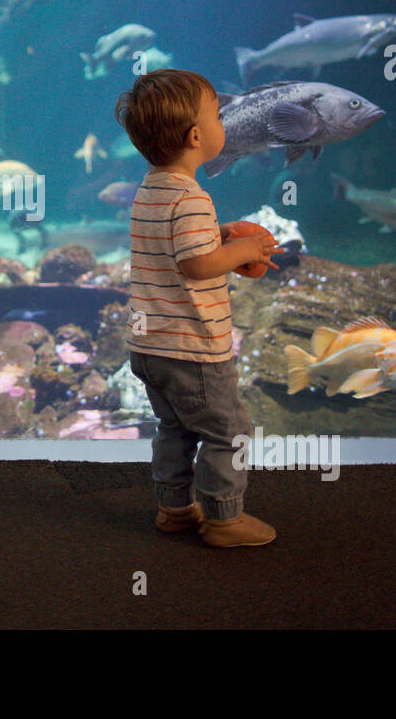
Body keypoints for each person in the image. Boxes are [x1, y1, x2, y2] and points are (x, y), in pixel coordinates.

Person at [114, 68, 279, 547]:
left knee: (175, 427)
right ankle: (224, 518)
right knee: (231, 430)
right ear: (195, 136)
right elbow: (197, 264)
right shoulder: (190, 197)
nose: (224, 123)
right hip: (191, 348)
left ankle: (173, 508)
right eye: (218, 115)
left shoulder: (150, 191)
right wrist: (243, 252)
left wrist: (222, 232)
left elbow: (175, 246)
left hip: (150, 346)